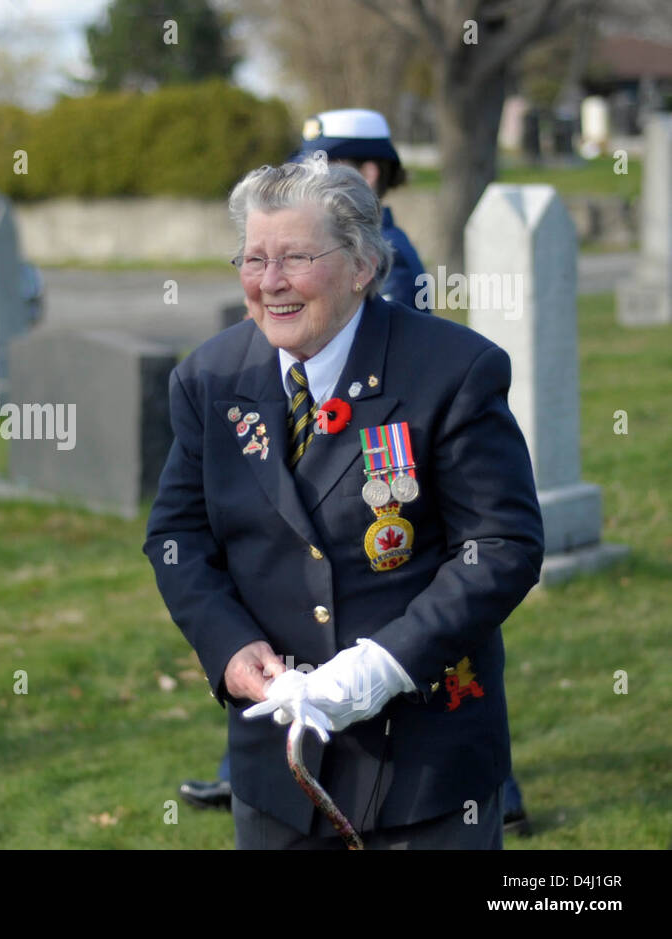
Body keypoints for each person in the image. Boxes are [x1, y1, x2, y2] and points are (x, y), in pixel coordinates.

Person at [146, 161, 543, 849]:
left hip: (425, 764)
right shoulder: (210, 377)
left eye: (297, 257)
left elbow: (501, 546)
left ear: (362, 265)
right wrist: (230, 647)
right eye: (254, 257)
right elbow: (178, 536)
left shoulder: (451, 370)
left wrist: (383, 665)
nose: (270, 281)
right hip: (279, 763)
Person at [300, 109, 429, 312]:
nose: (310, 182)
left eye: (323, 171)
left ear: (368, 174)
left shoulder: (387, 254)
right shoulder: (363, 242)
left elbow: (383, 338)